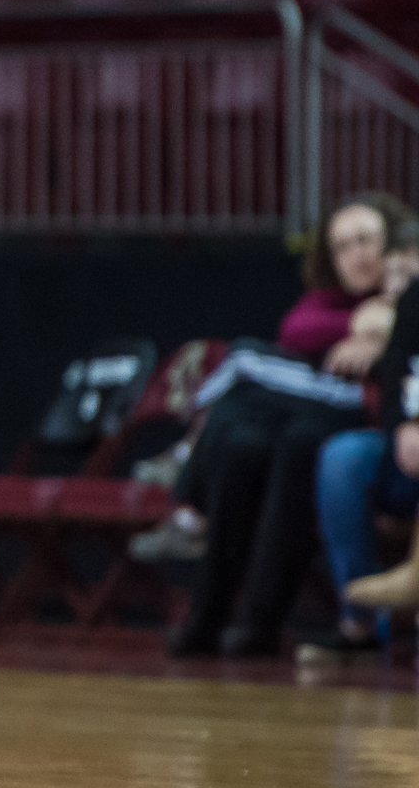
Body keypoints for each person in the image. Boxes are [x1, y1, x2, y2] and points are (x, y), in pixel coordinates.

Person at [168, 193, 414, 658]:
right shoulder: (334, 301)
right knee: (244, 444)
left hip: (361, 422)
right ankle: (209, 616)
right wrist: (360, 327)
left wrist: (388, 330)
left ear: (393, 242)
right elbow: (297, 331)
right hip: (306, 415)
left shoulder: (408, 294)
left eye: (365, 240)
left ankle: (188, 491)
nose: (355, 255)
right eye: (341, 247)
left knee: (255, 383)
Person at [311, 222, 419, 650]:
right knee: (344, 456)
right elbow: (396, 374)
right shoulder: (414, 299)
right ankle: (360, 619)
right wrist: (404, 427)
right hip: (407, 454)